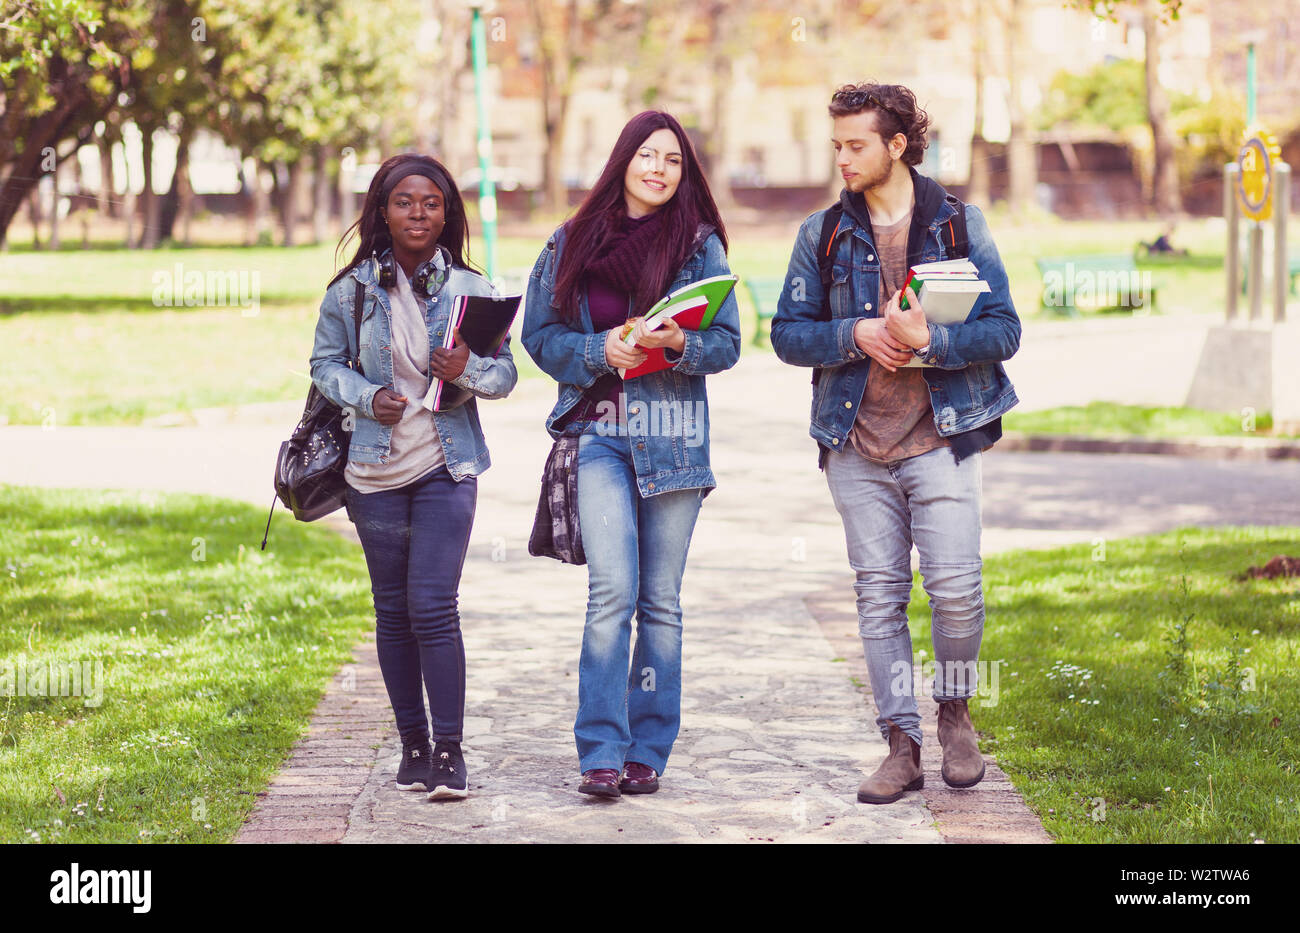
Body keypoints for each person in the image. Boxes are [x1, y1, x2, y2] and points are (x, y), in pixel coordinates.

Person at [770, 83, 1021, 804]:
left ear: (897, 145)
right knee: (878, 597)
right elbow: (787, 333)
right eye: (837, 145)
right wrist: (855, 334)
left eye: (856, 145)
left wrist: (928, 343)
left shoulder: (959, 226)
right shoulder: (820, 234)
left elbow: (1004, 329)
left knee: (957, 592)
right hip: (855, 443)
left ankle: (955, 713)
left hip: (942, 438)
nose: (842, 158)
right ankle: (901, 744)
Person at [522, 111, 741, 798]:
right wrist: (597, 351)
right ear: (622, 160)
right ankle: (600, 752)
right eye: (647, 155)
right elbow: (539, 334)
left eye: (672, 160)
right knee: (611, 592)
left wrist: (679, 345)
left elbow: (731, 342)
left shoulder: (700, 247)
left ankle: (650, 747)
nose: (658, 169)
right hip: (598, 435)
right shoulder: (571, 241)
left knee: (662, 601)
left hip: (673, 437)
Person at [309, 153, 517, 801]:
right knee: (393, 611)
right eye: (404, 201)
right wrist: (368, 397)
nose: (418, 212)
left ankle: (451, 753)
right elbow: (322, 366)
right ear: (382, 211)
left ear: (447, 212)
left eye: (431, 202)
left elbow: (504, 375)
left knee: (432, 603)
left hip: (445, 464)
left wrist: (464, 370)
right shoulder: (349, 291)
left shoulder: (474, 291)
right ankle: (414, 747)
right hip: (373, 467)